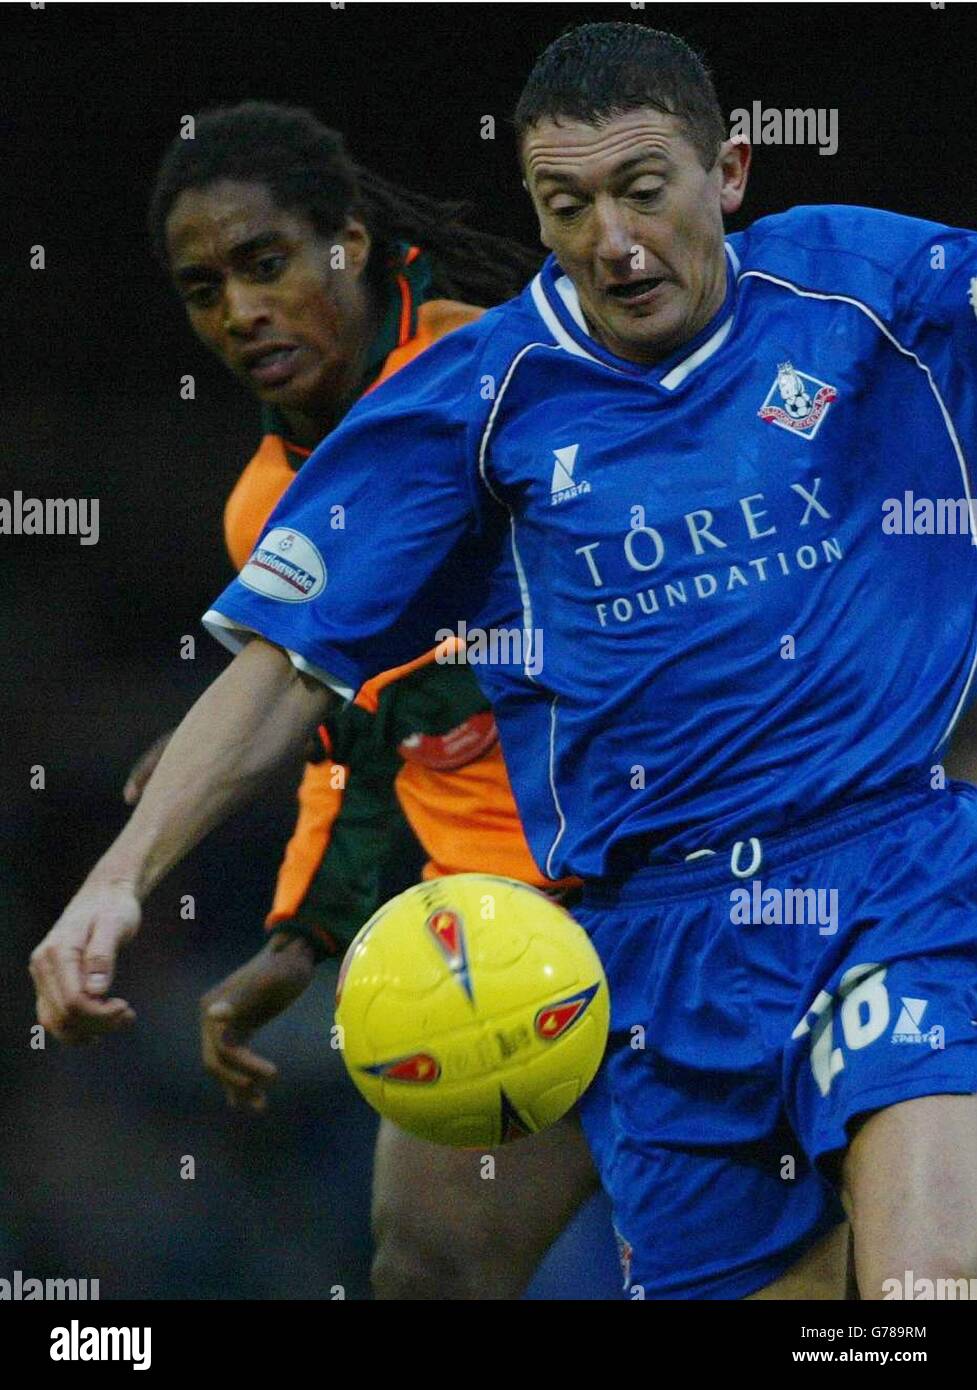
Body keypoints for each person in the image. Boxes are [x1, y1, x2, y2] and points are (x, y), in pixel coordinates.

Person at [32, 21, 977, 1299]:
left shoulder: (873, 287)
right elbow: (284, 674)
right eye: (566, 206)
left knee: (927, 1285)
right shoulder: (471, 398)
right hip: (649, 942)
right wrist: (117, 880)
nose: (612, 241)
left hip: (890, 875)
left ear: (730, 172)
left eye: (643, 192)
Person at [125, 102, 601, 1300]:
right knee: (425, 1268)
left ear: (349, 240)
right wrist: (302, 936)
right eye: (201, 289)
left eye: (265, 262)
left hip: (676, 897)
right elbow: (359, 736)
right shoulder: (260, 514)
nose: (238, 312)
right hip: (495, 948)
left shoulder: (508, 374)